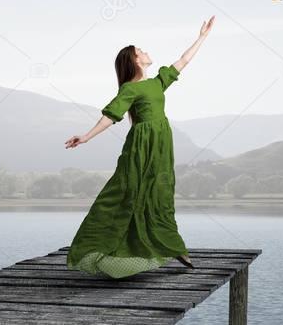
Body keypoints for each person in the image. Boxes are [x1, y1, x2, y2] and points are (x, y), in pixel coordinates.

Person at [64, 16, 216, 278]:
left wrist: (202, 36)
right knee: (127, 190)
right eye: (140, 51)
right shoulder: (130, 89)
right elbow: (110, 116)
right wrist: (87, 137)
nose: (145, 52)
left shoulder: (157, 82)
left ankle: (171, 245)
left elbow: (183, 60)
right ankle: (101, 245)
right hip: (141, 146)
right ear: (135, 60)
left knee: (161, 192)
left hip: (161, 143)